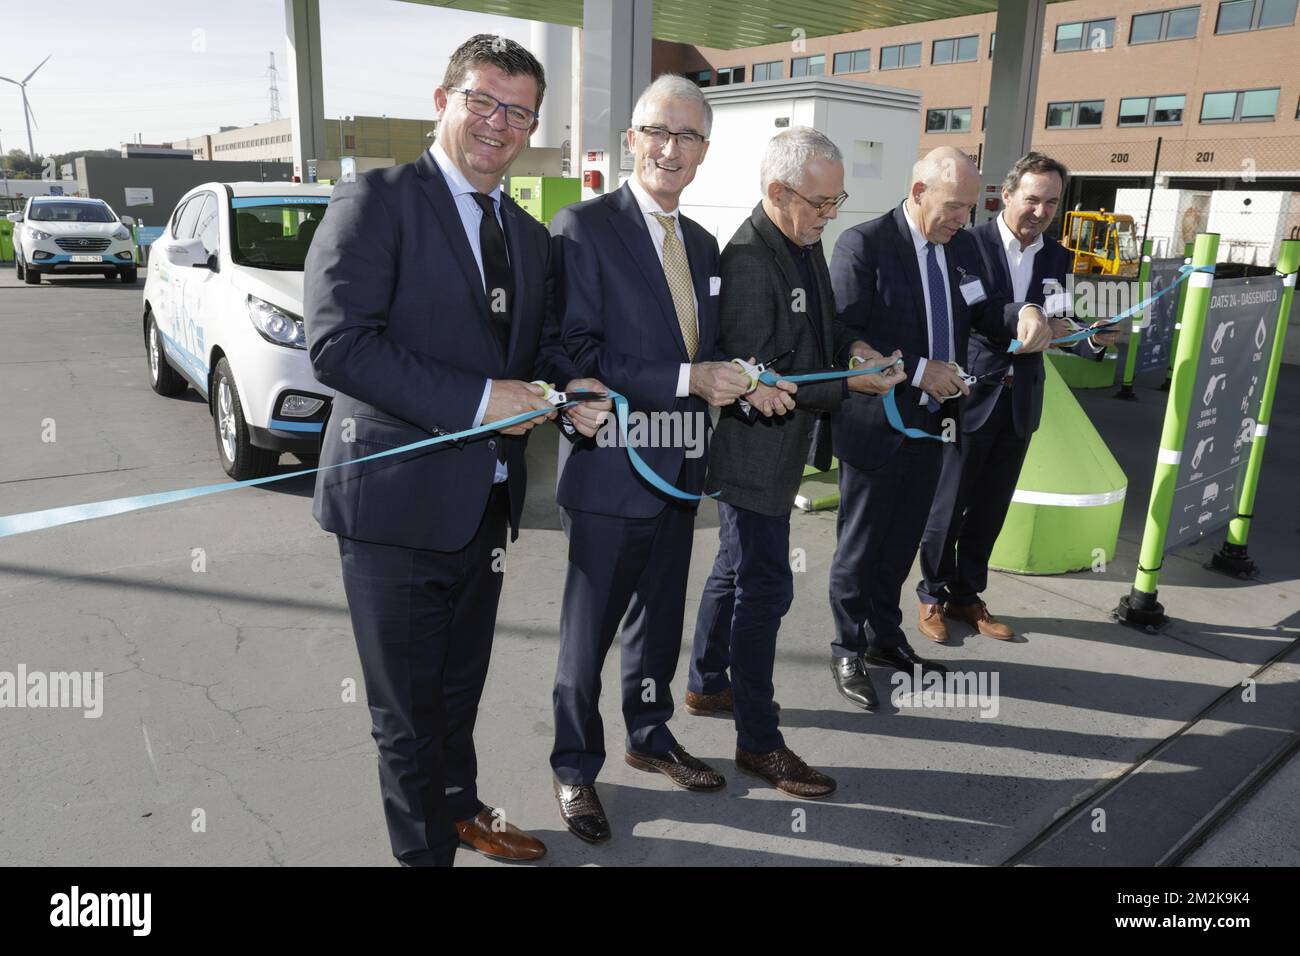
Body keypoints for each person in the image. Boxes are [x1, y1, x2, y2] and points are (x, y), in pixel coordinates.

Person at [303, 34, 608, 867]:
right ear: (442, 101)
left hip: (484, 506)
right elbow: (338, 346)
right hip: (393, 506)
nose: (498, 123)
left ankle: (462, 809)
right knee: (405, 714)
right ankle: (423, 856)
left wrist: (567, 390)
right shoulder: (375, 201)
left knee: (457, 689)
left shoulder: (528, 233)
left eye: (519, 111)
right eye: (483, 101)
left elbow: (538, 350)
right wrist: (480, 403)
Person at [547, 75, 755, 843]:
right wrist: (686, 379)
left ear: (705, 150)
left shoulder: (702, 243)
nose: (672, 149)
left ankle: (648, 732)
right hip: (609, 469)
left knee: (658, 624)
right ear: (632, 138)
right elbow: (575, 349)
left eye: (689, 137)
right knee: (586, 635)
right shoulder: (582, 227)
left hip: (679, 464)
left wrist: (741, 377)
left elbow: (705, 348)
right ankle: (574, 766)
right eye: (658, 133)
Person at [685, 127, 905, 797]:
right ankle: (759, 741)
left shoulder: (802, 241)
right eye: (820, 202)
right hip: (754, 455)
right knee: (766, 591)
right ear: (777, 191)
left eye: (838, 202)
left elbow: (823, 331)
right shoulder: (753, 258)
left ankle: (704, 684)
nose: (830, 215)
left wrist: (858, 348)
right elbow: (764, 378)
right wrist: (852, 383)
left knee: (732, 570)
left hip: (777, 453)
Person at [826, 146, 1053, 711]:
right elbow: (843, 337)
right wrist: (919, 370)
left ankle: (883, 638)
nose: (963, 219)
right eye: (954, 206)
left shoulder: (957, 251)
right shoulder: (866, 245)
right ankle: (846, 646)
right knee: (862, 544)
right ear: (919, 191)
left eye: (971, 208)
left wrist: (1024, 313)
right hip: (877, 425)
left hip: (933, 427)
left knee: (904, 539)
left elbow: (984, 310)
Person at [916, 152, 1117, 643]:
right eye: (1032, 199)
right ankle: (931, 597)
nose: (1040, 210)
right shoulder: (966, 245)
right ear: (1006, 196)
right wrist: (1028, 312)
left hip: (1021, 400)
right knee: (948, 506)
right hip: (966, 396)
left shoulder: (1059, 258)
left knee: (991, 508)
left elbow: (1060, 325)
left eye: (1051, 202)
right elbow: (981, 311)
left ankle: (967, 596)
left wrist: (1092, 338)